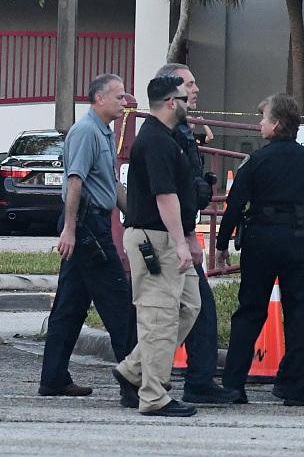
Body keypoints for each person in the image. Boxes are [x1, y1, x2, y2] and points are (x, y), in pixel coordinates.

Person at [215, 94, 304, 406]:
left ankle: (234, 385)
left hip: (260, 240)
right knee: (299, 314)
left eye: (263, 118)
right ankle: (293, 387)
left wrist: (221, 245)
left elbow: (234, 206)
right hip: (301, 241)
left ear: (275, 125)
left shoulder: (256, 161)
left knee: (249, 312)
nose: (259, 124)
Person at [111, 75, 202, 417]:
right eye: (184, 96)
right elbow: (165, 196)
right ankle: (153, 396)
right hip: (156, 240)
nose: (189, 100)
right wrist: (181, 243)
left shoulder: (167, 137)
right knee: (159, 319)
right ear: (169, 102)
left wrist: (187, 238)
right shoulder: (157, 141)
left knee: (188, 307)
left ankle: (133, 370)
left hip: (167, 238)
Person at [39, 74, 135, 399]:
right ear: (99, 99)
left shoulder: (105, 133)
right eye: (119, 97)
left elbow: (111, 187)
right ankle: (136, 383)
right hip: (86, 229)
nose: (125, 102)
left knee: (70, 305)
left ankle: (53, 378)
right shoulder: (85, 132)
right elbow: (75, 181)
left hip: (93, 224)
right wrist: (69, 229)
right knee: (119, 302)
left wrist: (138, 217)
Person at [156, 63, 240, 405]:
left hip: (177, 234)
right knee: (178, 311)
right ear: (172, 94)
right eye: (190, 85)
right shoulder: (165, 134)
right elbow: (170, 191)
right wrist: (187, 235)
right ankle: (143, 374)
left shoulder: (179, 131)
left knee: (190, 310)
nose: (197, 90)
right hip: (167, 237)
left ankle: (189, 378)